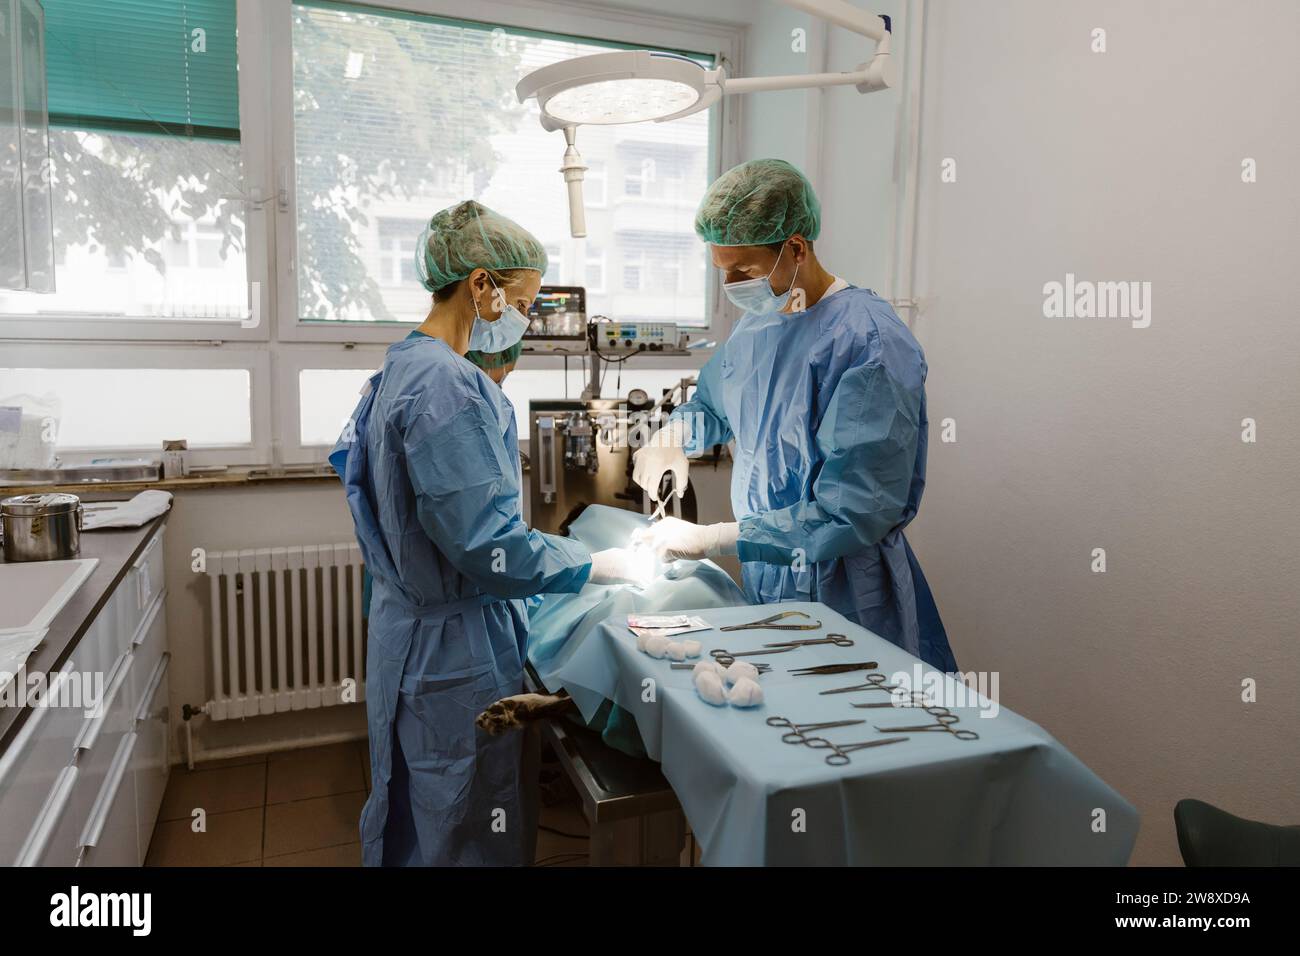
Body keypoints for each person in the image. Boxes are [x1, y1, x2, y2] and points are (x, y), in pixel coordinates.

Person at [330, 200, 639, 867]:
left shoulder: (400, 369)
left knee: (421, 811)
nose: (525, 319)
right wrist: (592, 564)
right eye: (524, 303)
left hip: (409, 637)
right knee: (467, 822)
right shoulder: (451, 387)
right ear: (479, 285)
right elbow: (486, 545)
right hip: (453, 657)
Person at [632, 159, 958, 672]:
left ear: (796, 249)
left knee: (857, 734)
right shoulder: (757, 326)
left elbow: (854, 511)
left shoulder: (869, 344)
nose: (733, 285)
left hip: (846, 591)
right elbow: (716, 406)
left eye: (745, 271)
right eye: (723, 272)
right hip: (767, 576)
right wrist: (672, 435)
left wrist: (714, 537)